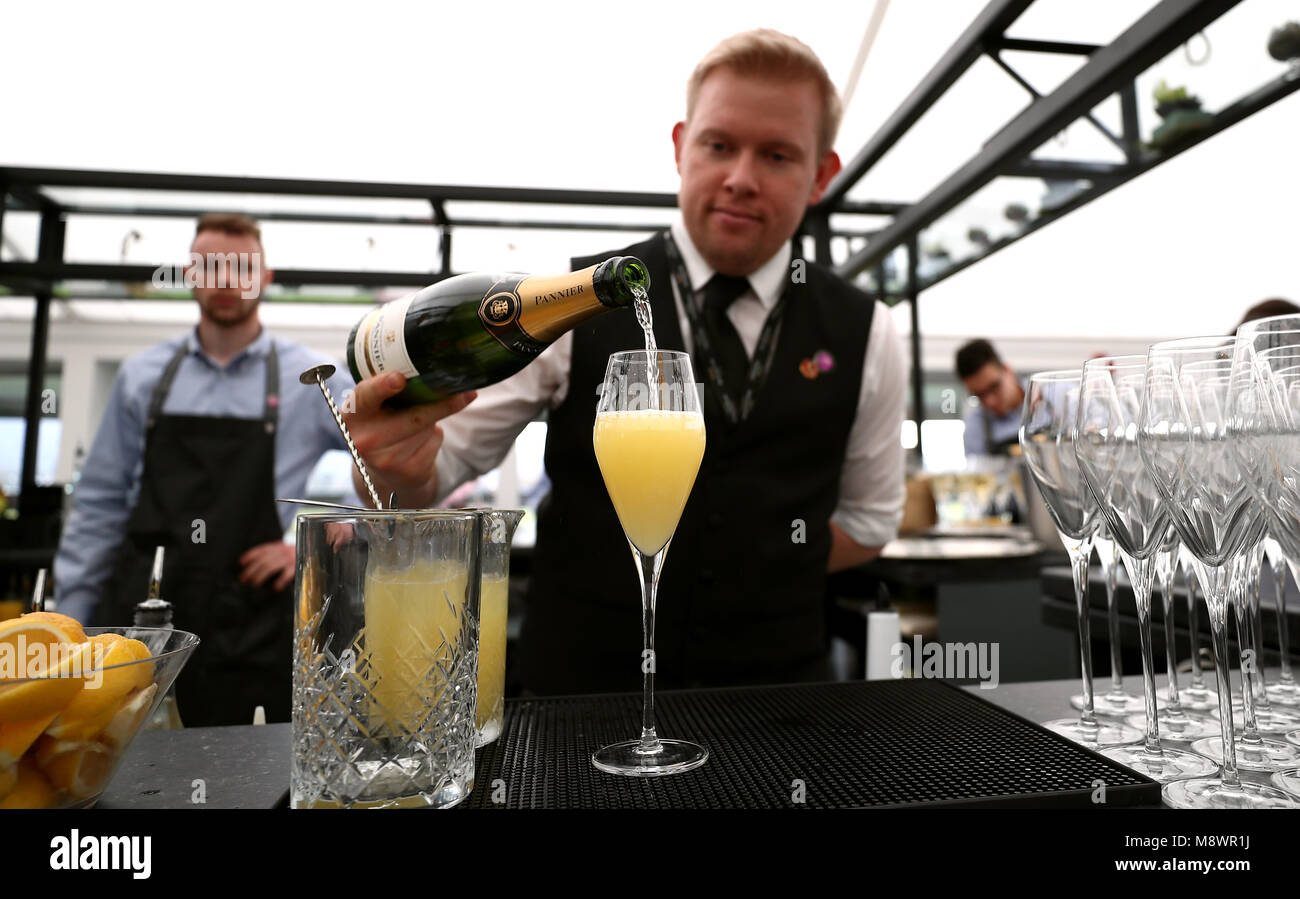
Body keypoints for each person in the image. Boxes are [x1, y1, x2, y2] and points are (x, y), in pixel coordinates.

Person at [344, 29, 908, 695]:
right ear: (680, 147)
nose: (740, 178)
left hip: (779, 705)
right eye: (719, 145)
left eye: (778, 155)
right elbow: (429, 479)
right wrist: (388, 464)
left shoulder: (868, 329)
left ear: (820, 176)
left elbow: (872, 522)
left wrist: (757, 567)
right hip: (578, 705)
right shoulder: (567, 300)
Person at [54, 213, 356, 726]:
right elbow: (100, 504)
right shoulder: (142, 376)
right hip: (147, 613)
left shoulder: (313, 378)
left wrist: (313, 536)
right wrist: (69, 626)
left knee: (250, 770)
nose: (226, 279)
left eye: (242, 266)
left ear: (266, 277)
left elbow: (386, 469)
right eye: (210, 266)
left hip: (251, 615)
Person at [955, 338, 1025, 458]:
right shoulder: (975, 428)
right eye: (979, 395)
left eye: (994, 387)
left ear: (1007, 370)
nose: (990, 401)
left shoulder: (1050, 397)